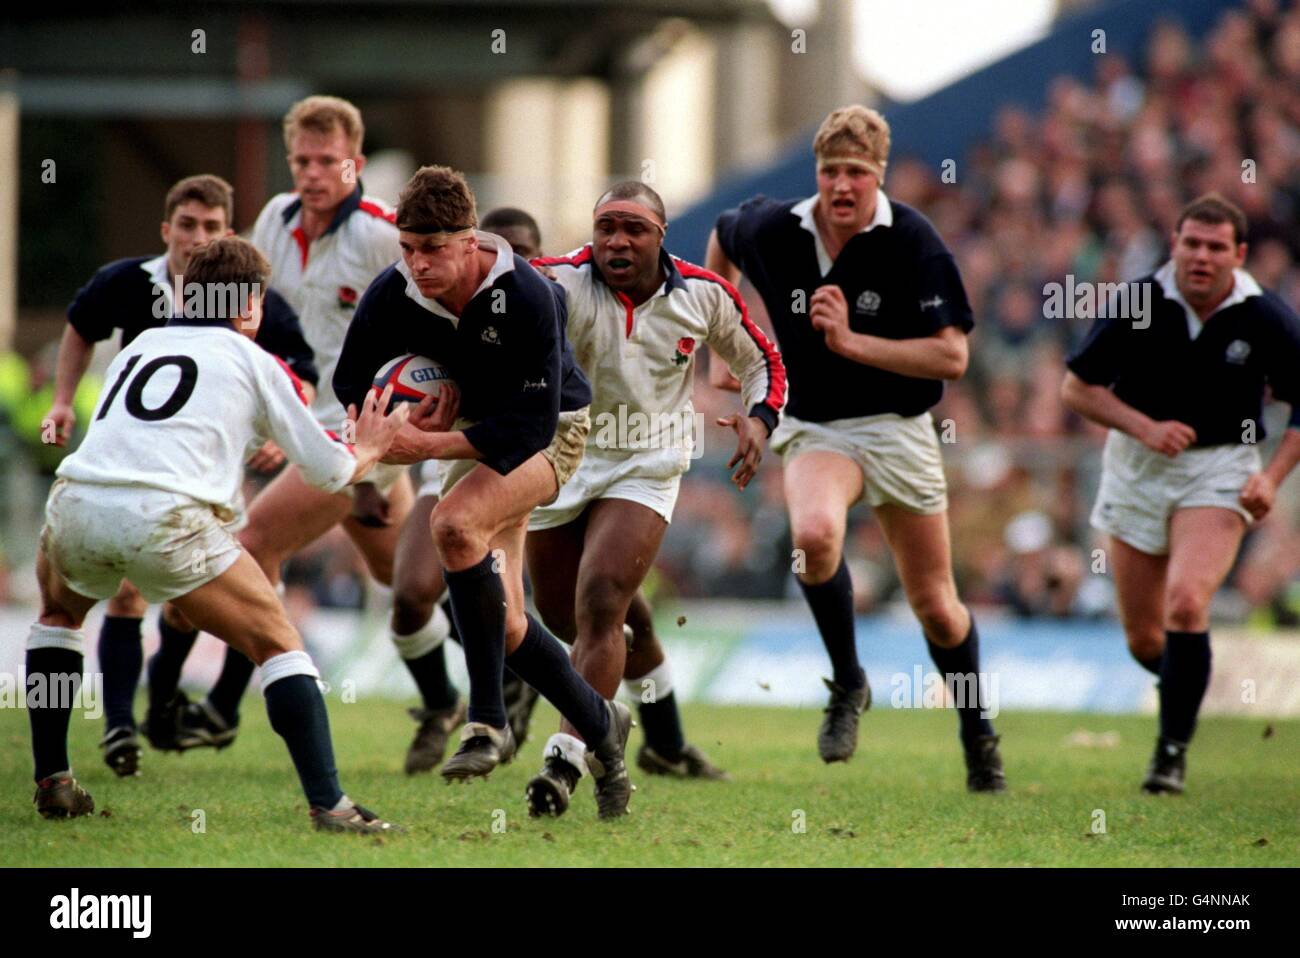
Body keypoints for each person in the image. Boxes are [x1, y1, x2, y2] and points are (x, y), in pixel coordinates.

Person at [26, 237, 407, 832]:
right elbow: (329, 471)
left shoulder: (143, 344)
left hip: (77, 499)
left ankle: (52, 778)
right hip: (167, 519)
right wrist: (372, 448)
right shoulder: (254, 361)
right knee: (281, 647)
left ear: (186, 294)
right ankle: (331, 805)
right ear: (251, 304)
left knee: (57, 617)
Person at [706, 105, 1005, 791]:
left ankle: (977, 733)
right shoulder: (775, 227)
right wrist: (729, 334)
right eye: (830, 171)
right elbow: (722, 239)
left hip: (899, 427)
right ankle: (847, 683)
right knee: (811, 537)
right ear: (817, 174)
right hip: (817, 425)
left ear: (880, 177)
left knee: (936, 604)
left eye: (858, 174)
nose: (842, 185)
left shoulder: (914, 241)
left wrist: (850, 343)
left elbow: (952, 357)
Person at [332, 165, 634, 817]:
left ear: (470, 242)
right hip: (473, 432)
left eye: (433, 249)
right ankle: (604, 732)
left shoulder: (528, 296)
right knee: (510, 618)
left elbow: (529, 425)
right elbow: (350, 381)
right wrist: (394, 423)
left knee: (453, 526)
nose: (417, 264)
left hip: (552, 432)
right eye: (408, 249)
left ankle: (487, 720)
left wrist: (425, 444)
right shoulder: (394, 290)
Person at [147, 96, 413, 756]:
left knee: (256, 540)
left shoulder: (383, 235)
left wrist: (389, 448)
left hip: (357, 430)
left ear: (355, 164)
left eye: (328, 161)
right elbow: (253, 322)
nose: (313, 173)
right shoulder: (273, 218)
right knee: (407, 580)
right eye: (302, 160)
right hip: (293, 418)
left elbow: (418, 334)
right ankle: (469, 685)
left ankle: (219, 707)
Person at [522, 182, 785, 816]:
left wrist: (759, 419)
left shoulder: (704, 295)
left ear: (660, 237)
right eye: (605, 226)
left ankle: (563, 762)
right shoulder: (557, 282)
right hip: (562, 460)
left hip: (647, 463)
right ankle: (661, 740)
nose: (616, 240)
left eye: (632, 229)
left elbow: (765, 362)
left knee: (601, 602)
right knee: (572, 621)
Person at [43, 173, 317, 777]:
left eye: (212, 227)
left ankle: (155, 708)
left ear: (228, 232)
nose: (198, 237)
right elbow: (80, 327)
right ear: (166, 229)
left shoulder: (240, 295)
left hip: (195, 475)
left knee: (137, 606)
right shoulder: (126, 283)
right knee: (140, 596)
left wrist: (274, 436)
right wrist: (62, 401)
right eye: (188, 225)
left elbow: (299, 373)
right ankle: (123, 723)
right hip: (139, 471)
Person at [1061, 193, 1300, 794]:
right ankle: (1185, 693)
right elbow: (1077, 388)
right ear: (1175, 245)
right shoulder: (1139, 301)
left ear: (1238, 254)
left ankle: (1169, 756)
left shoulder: (1266, 316)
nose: (1201, 256)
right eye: (1191, 243)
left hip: (1219, 469)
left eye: (1216, 247)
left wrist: (1269, 479)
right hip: (1137, 466)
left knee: (1187, 604)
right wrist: (1145, 427)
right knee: (1145, 638)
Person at [390, 206, 548, 774]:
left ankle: (612, 732)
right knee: (410, 594)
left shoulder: (545, 302)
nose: (505, 262)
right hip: (453, 457)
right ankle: (452, 705)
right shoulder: (432, 298)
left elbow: (551, 415)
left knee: (598, 601)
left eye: (522, 251)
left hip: (531, 457)